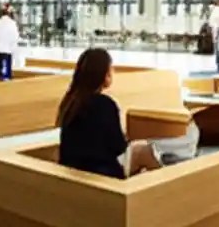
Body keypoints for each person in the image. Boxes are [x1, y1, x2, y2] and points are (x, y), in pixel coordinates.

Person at [57, 48, 161, 178]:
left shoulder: (70, 102)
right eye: (110, 69)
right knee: (144, 150)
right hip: (101, 173)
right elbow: (118, 147)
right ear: (103, 75)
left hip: (72, 168)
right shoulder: (105, 104)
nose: (113, 72)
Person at [0, 5, 20, 80]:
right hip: (8, 49)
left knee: (0, 65)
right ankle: (7, 77)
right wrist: (13, 47)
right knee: (8, 66)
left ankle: (0, 76)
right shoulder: (12, 23)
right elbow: (15, 36)